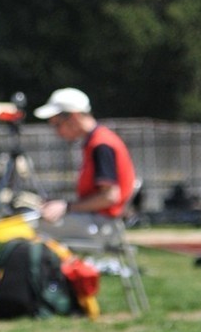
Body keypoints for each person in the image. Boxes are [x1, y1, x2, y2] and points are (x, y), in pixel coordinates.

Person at [33, 87, 136, 233]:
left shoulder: (101, 144)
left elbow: (109, 197)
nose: (57, 132)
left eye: (57, 124)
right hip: (97, 219)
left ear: (74, 117)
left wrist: (66, 207)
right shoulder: (95, 141)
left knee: (32, 226)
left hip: (102, 222)